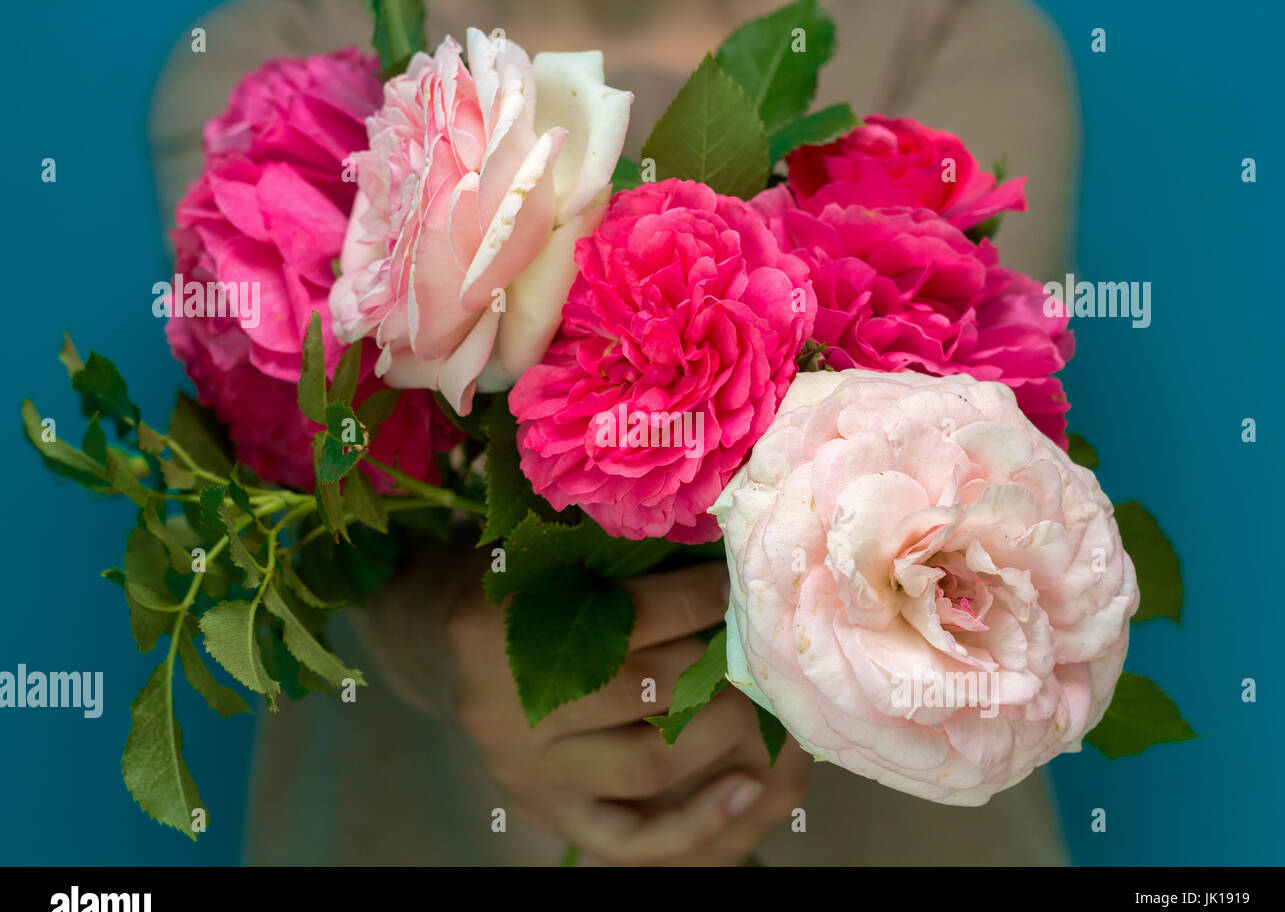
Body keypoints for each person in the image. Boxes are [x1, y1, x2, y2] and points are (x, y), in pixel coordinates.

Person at [150, 0, 1078, 865]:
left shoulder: (952, 32)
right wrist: (439, 636)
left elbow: (968, 446)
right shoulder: (285, 72)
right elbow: (309, 479)